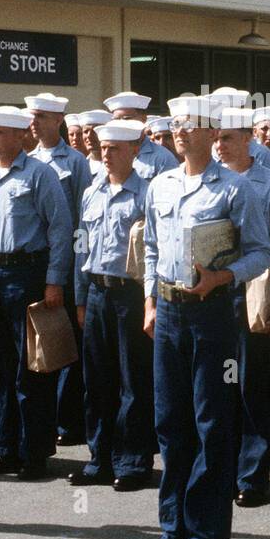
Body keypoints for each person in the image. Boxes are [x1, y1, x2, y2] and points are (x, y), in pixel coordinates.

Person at [143, 95, 270, 539]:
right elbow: (152, 250)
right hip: (170, 311)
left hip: (213, 314)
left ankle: (206, 530)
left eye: (191, 125)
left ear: (212, 133)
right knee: (168, 421)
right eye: (177, 124)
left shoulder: (237, 190)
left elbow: (260, 253)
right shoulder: (160, 186)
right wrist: (149, 301)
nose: (180, 132)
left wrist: (222, 276)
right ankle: (172, 525)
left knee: (211, 422)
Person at [0, 106, 73, 478]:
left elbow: (60, 229)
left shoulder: (39, 175)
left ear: (19, 136)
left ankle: (34, 452)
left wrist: (53, 281)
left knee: (30, 370)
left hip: (26, 274)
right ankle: (7, 448)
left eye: (0, 132)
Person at [216, 107, 270, 508]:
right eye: (216, 138)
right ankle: (220, 468)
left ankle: (251, 475)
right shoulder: (208, 181)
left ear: (248, 139)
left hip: (253, 292)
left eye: (228, 138)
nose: (220, 145)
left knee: (252, 385)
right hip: (213, 295)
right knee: (217, 384)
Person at [70, 119, 156, 491]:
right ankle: (99, 458)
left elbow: (154, 250)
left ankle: (133, 461)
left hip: (130, 294)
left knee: (133, 380)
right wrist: (80, 296)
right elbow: (80, 247)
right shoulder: (92, 192)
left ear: (133, 151)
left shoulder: (147, 193)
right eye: (103, 148)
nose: (106, 154)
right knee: (97, 380)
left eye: (115, 148)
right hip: (98, 291)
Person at [27, 92, 94, 447]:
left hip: (67, 261)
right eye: (32, 117)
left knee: (66, 340)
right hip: (38, 261)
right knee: (42, 339)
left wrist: (78, 266)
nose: (34, 123)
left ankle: (69, 419)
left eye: (41, 117)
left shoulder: (76, 161)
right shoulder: (29, 160)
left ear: (58, 121)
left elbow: (83, 220)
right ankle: (46, 414)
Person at [104, 92, 180, 180]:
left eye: (127, 119)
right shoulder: (109, 156)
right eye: (116, 120)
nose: (121, 123)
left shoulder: (162, 158)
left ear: (144, 119)